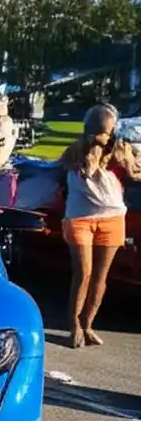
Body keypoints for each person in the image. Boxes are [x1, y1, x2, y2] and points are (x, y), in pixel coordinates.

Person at [58, 104, 141, 348]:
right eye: (108, 130)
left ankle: (88, 325)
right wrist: (94, 154)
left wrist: (129, 161)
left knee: (100, 277)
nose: (112, 134)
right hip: (81, 218)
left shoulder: (121, 149)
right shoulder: (76, 151)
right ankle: (74, 326)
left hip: (112, 219)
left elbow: (135, 172)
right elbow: (74, 170)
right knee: (83, 273)